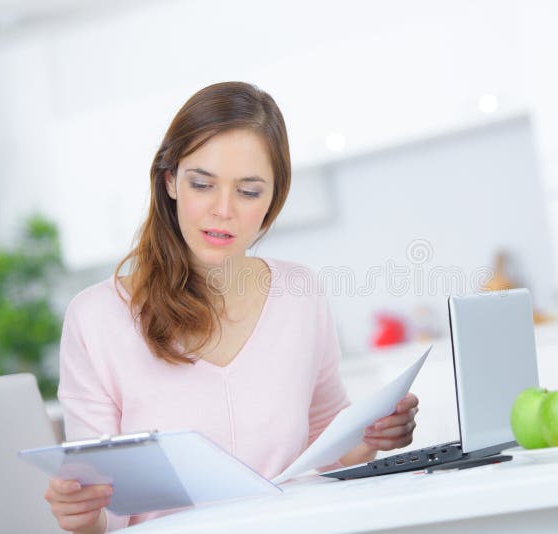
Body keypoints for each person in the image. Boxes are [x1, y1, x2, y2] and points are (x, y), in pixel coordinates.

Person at [43, 81, 420, 533]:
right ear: (170, 182)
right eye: (202, 184)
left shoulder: (300, 293)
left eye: (248, 191)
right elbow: (101, 508)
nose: (223, 210)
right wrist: (79, 516)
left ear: (272, 200)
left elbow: (325, 443)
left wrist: (372, 437)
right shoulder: (97, 318)